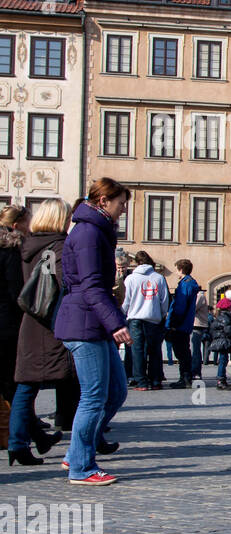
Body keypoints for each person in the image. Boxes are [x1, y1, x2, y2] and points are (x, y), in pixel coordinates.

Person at [54, 178, 133, 486]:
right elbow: (90, 286)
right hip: (84, 323)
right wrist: (115, 323)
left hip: (94, 322)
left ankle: (76, 453)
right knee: (94, 396)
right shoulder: (87, 232)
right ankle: (81, 466)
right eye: (121, 203)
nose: (123, 209)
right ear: (103, 201)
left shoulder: (97, 230)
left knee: (116, 391)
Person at [9, 199, 74, 464]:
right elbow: (65, 285)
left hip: (31, 322)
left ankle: (18, 445)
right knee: (86, 387)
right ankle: (87, 446)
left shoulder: (27, 245)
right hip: (51, 325)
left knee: (26, 387)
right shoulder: (58, 246)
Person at [122, 250, 169, 390]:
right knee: (154, 350)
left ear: (136, 262)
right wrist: (161, 314)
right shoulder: (158, 278)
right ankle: (155, 381)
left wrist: (122, 314)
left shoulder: (130, 279)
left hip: (135, 318)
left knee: (137, 351)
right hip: (153, 319)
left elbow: (126, 301)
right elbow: (164, 300)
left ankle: (141, 382)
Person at [0, 205, 31, 417]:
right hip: (7, 322)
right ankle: (20, 426)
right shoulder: (11, 249)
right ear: (15, 225)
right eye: (27, 222)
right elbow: (16, 291)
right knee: (11, 377)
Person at [165, 258, 200, 388]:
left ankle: (185, 378)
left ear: (181, 269)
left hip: (180, 324)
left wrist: (174, 322)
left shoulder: (185, 284)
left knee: (181, 351)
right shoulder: (190, 283)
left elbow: (180, 305)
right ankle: (186, 377)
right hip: (186, 323)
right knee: (184, 350)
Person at [207, 297, 231, 389]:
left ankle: (221, 379)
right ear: (228, 307)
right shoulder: (226, 318)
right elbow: (228, 331)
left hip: (219, 340)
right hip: (224, 341)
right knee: (223, 360)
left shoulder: (218, 317)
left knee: (222, 360)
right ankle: (221, 380)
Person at [190, 287, 210, 382]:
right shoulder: (199, 296)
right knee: (194, 349)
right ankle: (194, 371)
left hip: (197, 325)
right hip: (195, 324)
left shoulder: (199, 296)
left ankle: (196, 372)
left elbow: (192, 308)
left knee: (195, 350)